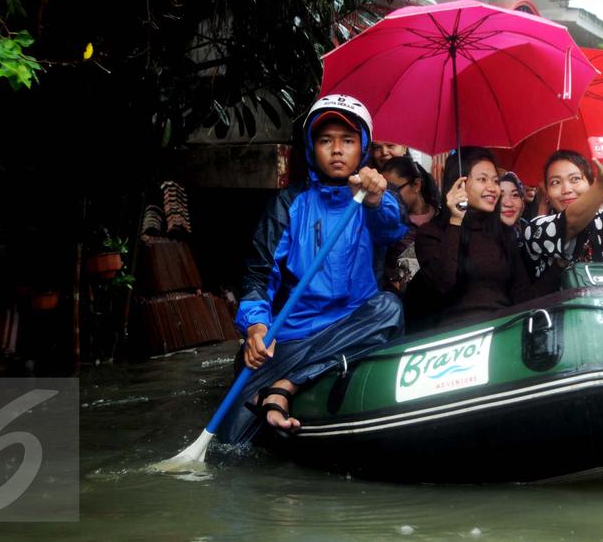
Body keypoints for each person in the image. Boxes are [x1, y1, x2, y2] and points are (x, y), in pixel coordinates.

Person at [218, 94, 407, 445]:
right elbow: (258, 276)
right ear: (311, 149)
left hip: (352, 329)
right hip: (291, 337)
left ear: (362, 148)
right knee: (229, 444)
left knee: (389, 308)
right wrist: (257, 327)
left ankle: (285, 386)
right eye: (325, 141)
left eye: (347, 141)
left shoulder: (378, 197)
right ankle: (278, 384)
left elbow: (392, 227)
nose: (337, 150)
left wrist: (376, 198)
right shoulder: (289, 203)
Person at [413, 147, 538, 328]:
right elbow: (443, 282)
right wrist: (456, 219)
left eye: (496, 181)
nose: (493, 188)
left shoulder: (503, 232)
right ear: (459, 183)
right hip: (456, 337)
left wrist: (559, 265)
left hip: (504, 328)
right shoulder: (431, 233)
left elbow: (523, 295)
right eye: (482, 179)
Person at [522, 145, 603, 285]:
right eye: (555, 182)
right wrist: (602, 184)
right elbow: (571, 222)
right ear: (547, 193)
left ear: (590, 183)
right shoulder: (536, 229)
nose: (566, 189)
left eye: (575, 179)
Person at [379, 155, 440, 294]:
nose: (388, 198)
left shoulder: (442, 217)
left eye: (394, 190)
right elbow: (395, 283)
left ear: (416, 185)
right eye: (383, 192)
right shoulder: (388, 226)